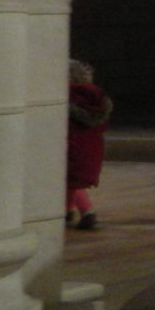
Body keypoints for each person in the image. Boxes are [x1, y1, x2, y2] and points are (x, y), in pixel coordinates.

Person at [65, 59, 112, 231]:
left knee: (68, 180)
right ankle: (67, 211)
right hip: (92, 146)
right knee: (71, 182)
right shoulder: (97, 97)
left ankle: (87, 212)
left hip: (72, 145)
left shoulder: (69, 96)